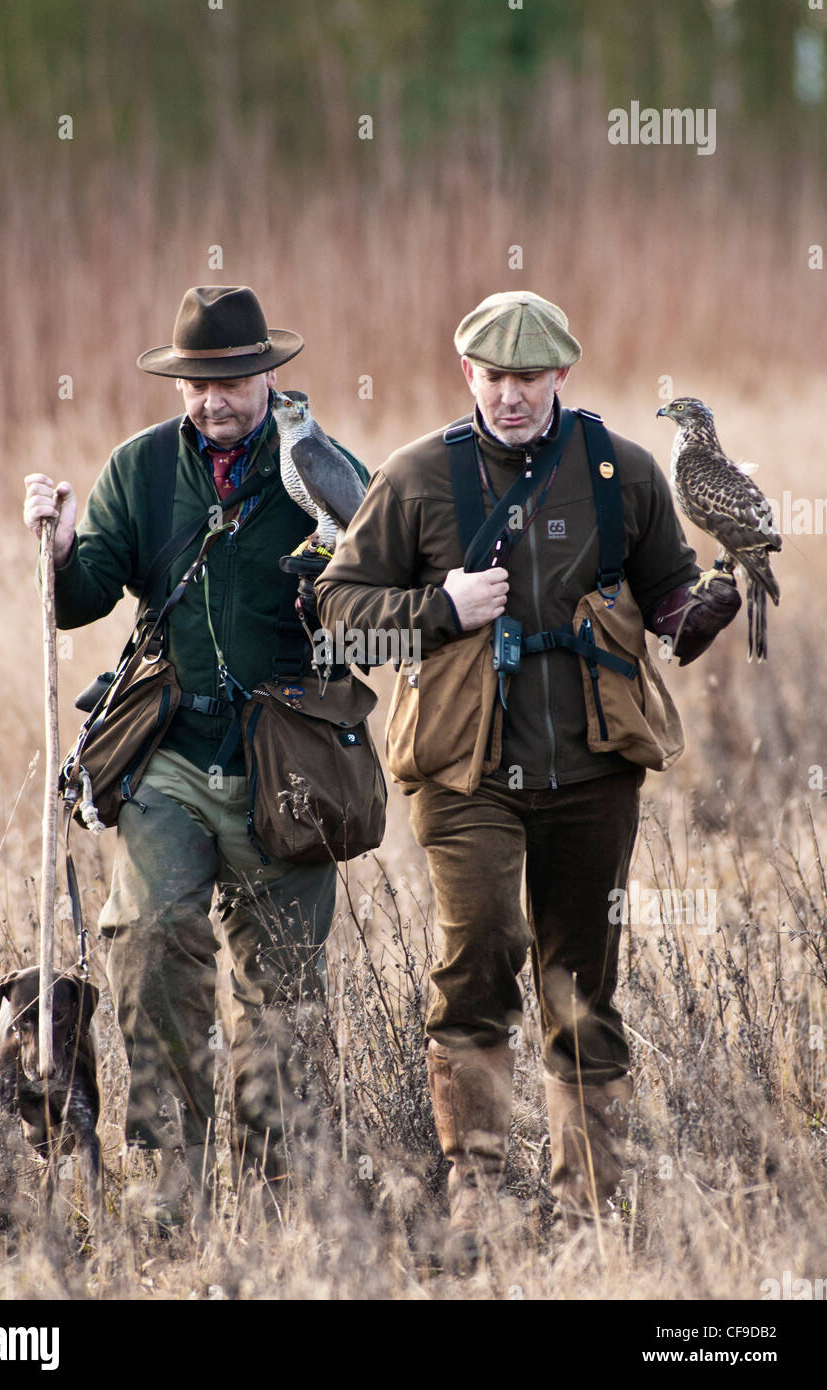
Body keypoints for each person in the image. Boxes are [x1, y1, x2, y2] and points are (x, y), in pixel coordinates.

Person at [315, 290, 739, 1248]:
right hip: (463, 770)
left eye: (528, 378)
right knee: (481, 956)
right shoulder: (417, 475)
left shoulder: (621, 470)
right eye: (493, 377)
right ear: (468, 375)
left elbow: (667, 590)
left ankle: (589, 1208)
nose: (510, 395)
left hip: (593, 766)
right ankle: (478, 1195)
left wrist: (696, 614)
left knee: (581, 981)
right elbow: (338, 609)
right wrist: (439, 608)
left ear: (561, 377)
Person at [23, 285, 367, 1227]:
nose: (212, 399)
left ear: (268, 374)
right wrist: (56, 553)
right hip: (170, 747)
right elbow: (84, 594)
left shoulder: (328, 468)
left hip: (287, 759)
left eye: (230, 379)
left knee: (284, 989)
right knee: (146, 936)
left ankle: (269, 1198)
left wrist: (335, 601)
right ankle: (170, 1176)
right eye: (194, 383)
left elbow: (383, 601)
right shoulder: (140, 469)